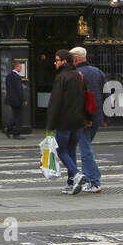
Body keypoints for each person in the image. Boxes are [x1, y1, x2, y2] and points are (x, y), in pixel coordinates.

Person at [46, 50, 88, 194]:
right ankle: (71, 183)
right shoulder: (78, 75)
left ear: (64, 61)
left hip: (64, 121)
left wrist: (50, 124)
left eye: (57, 60)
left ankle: (76, 175)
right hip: (78, 120)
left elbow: (55, 102)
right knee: (70, 151)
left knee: (61, 150)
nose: (55, 62)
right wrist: (87, 118)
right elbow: (85, 97)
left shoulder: (61, 77)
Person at [71, 46, 105, 192]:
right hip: (96, 115)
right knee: (86, 146)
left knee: (85, 149)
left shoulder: (75, 74)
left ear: (76, 59)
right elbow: (106, 94)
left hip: (82, 117)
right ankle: (90, 178)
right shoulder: (98, 72)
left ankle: (93, 181)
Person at [4, 60, 26, 139]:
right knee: (18, 117)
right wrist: (23, 99)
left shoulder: (8, 76)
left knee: (15, 115)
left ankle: (9, 129)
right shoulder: (17, 77)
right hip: (17, 99)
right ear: (16, 67)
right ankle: (15, 133)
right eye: (20, 66)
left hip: (10, 99)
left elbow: (7, 87)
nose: (21, 68)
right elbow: (19, 89)